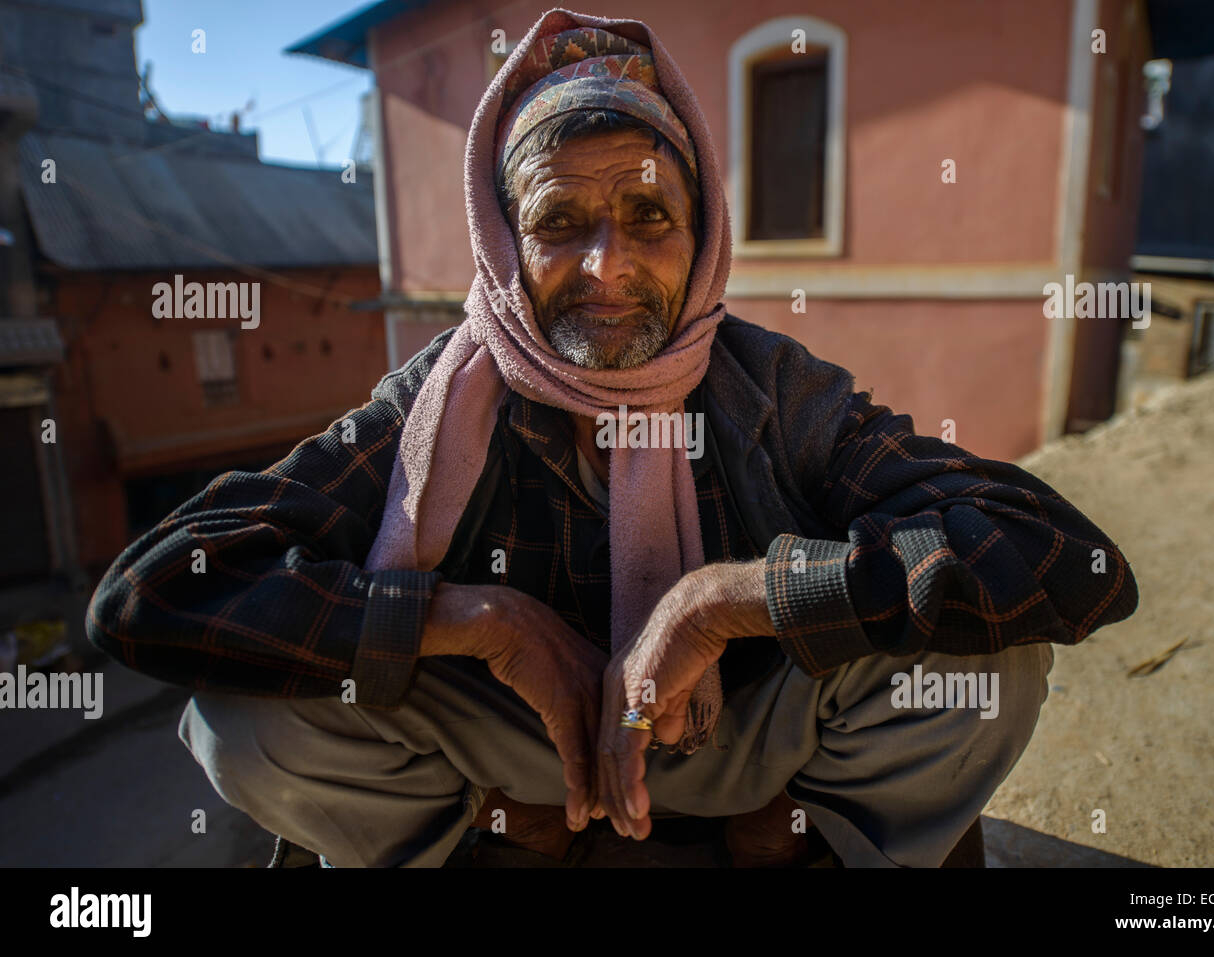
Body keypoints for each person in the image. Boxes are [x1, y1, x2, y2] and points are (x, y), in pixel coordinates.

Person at [86, 9, 1138, 868]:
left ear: (701, 234)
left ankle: (802, 842)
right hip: (509, 753)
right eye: (556, 224)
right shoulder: (428, 404)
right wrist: (475, 619)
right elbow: (153, 593)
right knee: (243, 723)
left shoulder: (772, 390)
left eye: (647, 217)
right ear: (503, 240)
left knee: (989, 671)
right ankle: (473, 843)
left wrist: (737, 597)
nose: (606, 266)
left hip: (747, 747)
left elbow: (1061, 556)